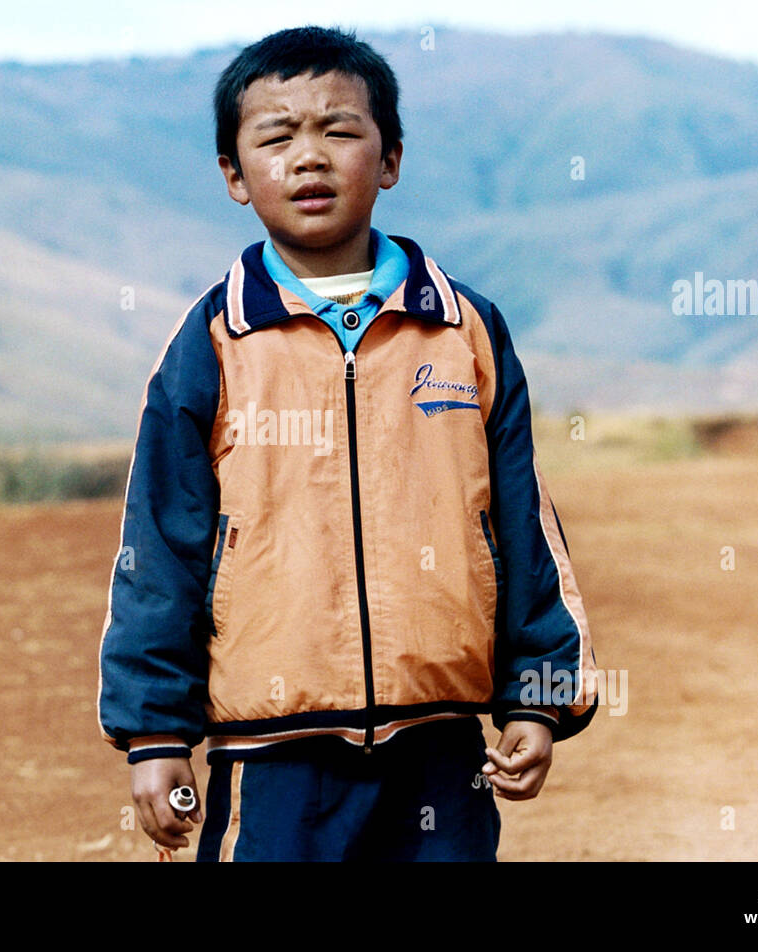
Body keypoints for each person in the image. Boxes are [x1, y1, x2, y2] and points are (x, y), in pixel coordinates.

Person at [98, 24, 599, 861]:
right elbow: (160, 543)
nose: (309, 157)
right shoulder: (213, 341)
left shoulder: (462, 328)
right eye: (276, 136)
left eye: (338, 130)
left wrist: (536, 696)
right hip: (272, 755)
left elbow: (521, 522)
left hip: (441, 745)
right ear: (234, 175)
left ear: (391, 159)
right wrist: (155, 736)